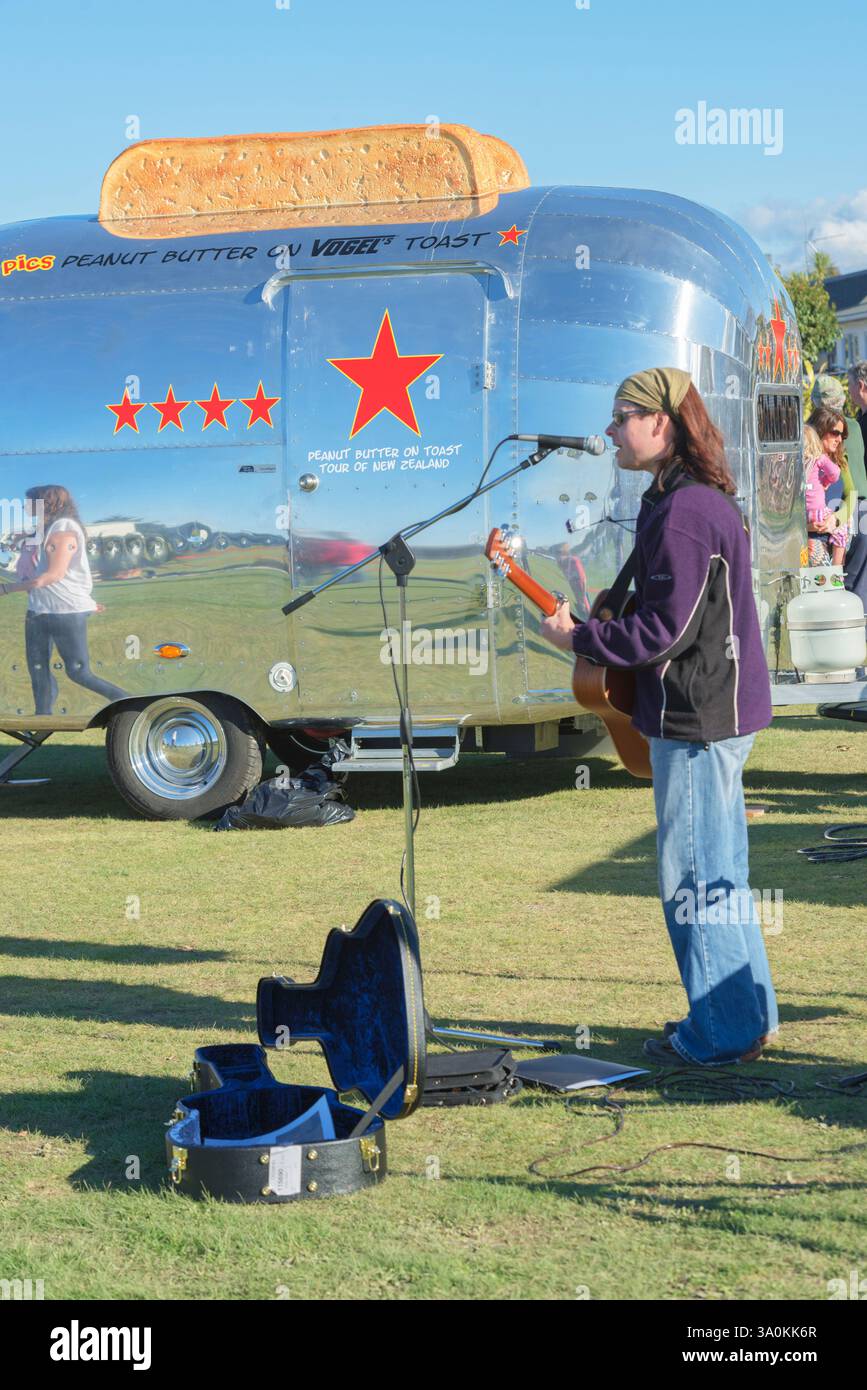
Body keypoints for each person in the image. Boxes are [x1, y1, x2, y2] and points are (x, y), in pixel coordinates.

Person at [539, 367, 778, 1066]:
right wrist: (599, 619)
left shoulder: (682, 511)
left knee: (696, 881)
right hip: (713, 711)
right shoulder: (677, 502)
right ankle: (744, 1017)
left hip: (700, 717)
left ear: (661, 423)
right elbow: (653, 609)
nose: (610, 430)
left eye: (621, 416)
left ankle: (719, 1034)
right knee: (720, 875)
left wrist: (579, 639)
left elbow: (664, 633)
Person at [0, 484, 127, 714]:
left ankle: (127, 702)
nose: (25, 505)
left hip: (64, 613)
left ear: (47, 503)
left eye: (30, 502)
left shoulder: (63, 531)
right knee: (37, 669)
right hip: (39, 610)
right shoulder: (50, 529)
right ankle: (42, 717)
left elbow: (53, 575)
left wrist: (7, 588)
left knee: (78, 671)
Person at [803, 423, 847, 565]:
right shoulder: (819, 459)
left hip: (802, 515)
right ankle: (837, 569)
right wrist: (826, 481)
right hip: (818, 513)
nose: (839, 439)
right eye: (835, 433)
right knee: (843, 529)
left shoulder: (794, 462)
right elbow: (835, 473)